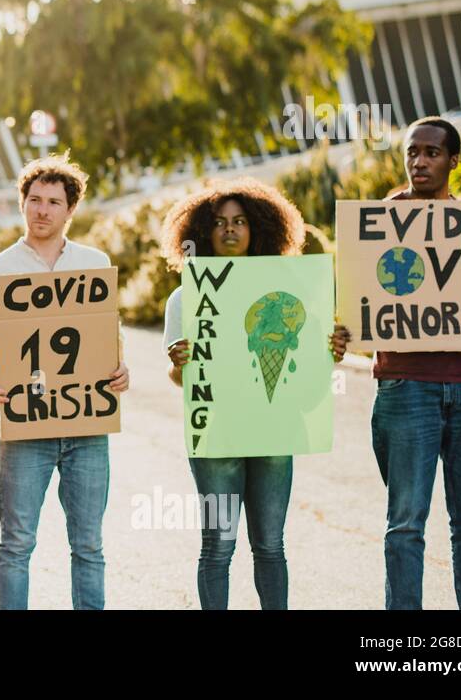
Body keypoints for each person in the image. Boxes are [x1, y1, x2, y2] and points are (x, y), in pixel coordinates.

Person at [159, 177, 351, 610]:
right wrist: (179, 363)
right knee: (218, 547)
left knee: (269, 545)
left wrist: (331, 350)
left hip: (274, 431)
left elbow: (310, 360)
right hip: (217, 437)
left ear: (258, 229)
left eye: (240, 221)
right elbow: (179, 379)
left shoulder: (291, 294)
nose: (230, 229)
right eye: (221, 222)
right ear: (202, 231)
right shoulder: (185, 297)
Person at [0, 153, 131, 610]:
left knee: (89, 546)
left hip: (86, 426)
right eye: (34, 199)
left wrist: (121, 369)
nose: (42, 210)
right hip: (26, 428)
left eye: (53, 202)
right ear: (22, 204)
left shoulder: (94, 261)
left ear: (70, 210)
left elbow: (108, 335)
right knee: (17, 545)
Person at [369, 116, 461, 610]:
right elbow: (361, 302)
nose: (419, 162)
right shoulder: (377, 224)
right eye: (412, 152)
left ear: (452, 160)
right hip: (407, 387)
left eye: (431, 153)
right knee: (405, 523)